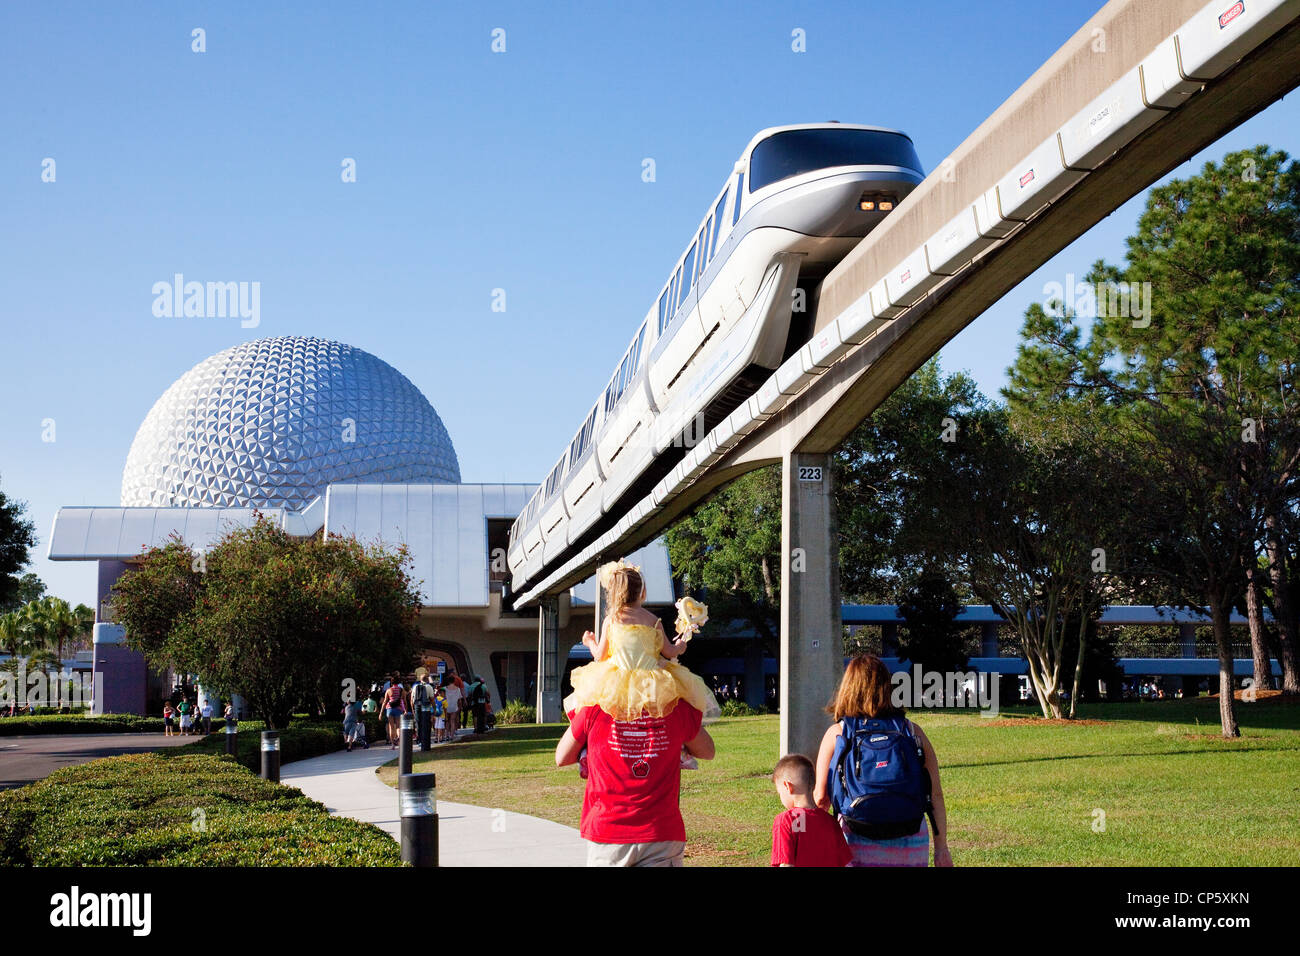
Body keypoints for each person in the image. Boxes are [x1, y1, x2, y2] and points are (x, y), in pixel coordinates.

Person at [553, 560, 720, 867]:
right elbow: (670, 652)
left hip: (608, 836)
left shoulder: (596, 703)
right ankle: (678, 753)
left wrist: (590, 643)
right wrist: (680, 646)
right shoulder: (654, 622)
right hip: (662, 834)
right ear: (642, 591)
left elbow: (601, 655)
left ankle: (589, 757)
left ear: (613, 594)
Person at [814, 654, 952, 867]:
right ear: (887, 687)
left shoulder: (838, 734)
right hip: (910, 840)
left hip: (856, 841)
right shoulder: (912, 732)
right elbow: (935, 794)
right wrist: (941, 847)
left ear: (848, 688)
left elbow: (821, 799)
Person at [770, 753, 850, 867]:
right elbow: (843, 862)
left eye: (779, 793)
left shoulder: (786, 820)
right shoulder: (831, 822)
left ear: (788, 787)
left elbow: (786, 864)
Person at [381, 681, 407, 749]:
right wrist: (405, 710)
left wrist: (381, 713)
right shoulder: (401, 690)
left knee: (391, 727)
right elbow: (404, 701)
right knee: (398, 727)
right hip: (398, 709)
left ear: (391, 683)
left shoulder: (389, 690)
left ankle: (392, 744)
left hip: (389, 709)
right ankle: (399, 740)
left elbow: (385, 702)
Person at [412, 673, 434, 750]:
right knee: (426, 725)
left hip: (417, 707)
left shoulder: (415, 687)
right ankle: (426, 741)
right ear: (427, 679)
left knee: (418, 724)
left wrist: (413, 710)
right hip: (426, 708)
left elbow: (412, 700)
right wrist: (434, 708)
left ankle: (420, 740)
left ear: (420, 679)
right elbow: (432, 699)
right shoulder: (429, 687)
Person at [442, 674, 463, 738]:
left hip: (446, 706)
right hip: (454, 706)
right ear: (454, 681)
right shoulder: (458, 689)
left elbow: (443, 698)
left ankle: (446, 735)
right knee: (453, 721)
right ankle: (452, 735)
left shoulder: (444, 689)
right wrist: (460, 707)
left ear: (448, 681)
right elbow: (459, 700)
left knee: (447, 721)